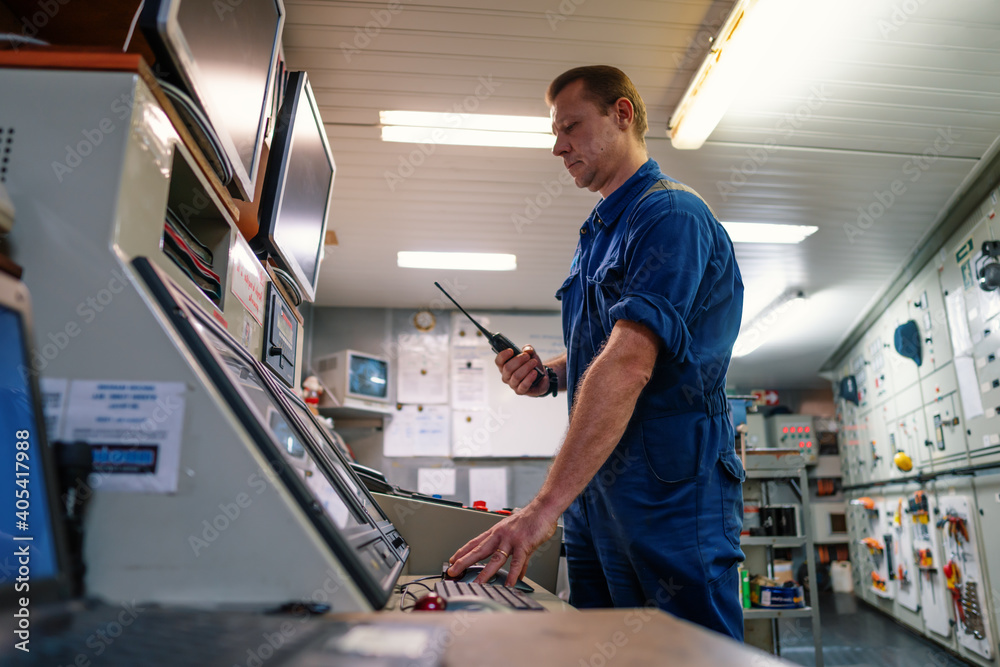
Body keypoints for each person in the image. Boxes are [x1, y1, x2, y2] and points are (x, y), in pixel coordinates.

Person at [447, 65, 746, 640]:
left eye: (571, 127)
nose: (558, 147)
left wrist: (541, 509)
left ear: (622, 115)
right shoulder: (598, 232)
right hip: (597, 490)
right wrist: (550, 375)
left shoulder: (670, 216)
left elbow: (629, 364)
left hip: (669, 491)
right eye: (555, 133)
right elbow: (605, 352)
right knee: (603, 645)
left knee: (689, 651)